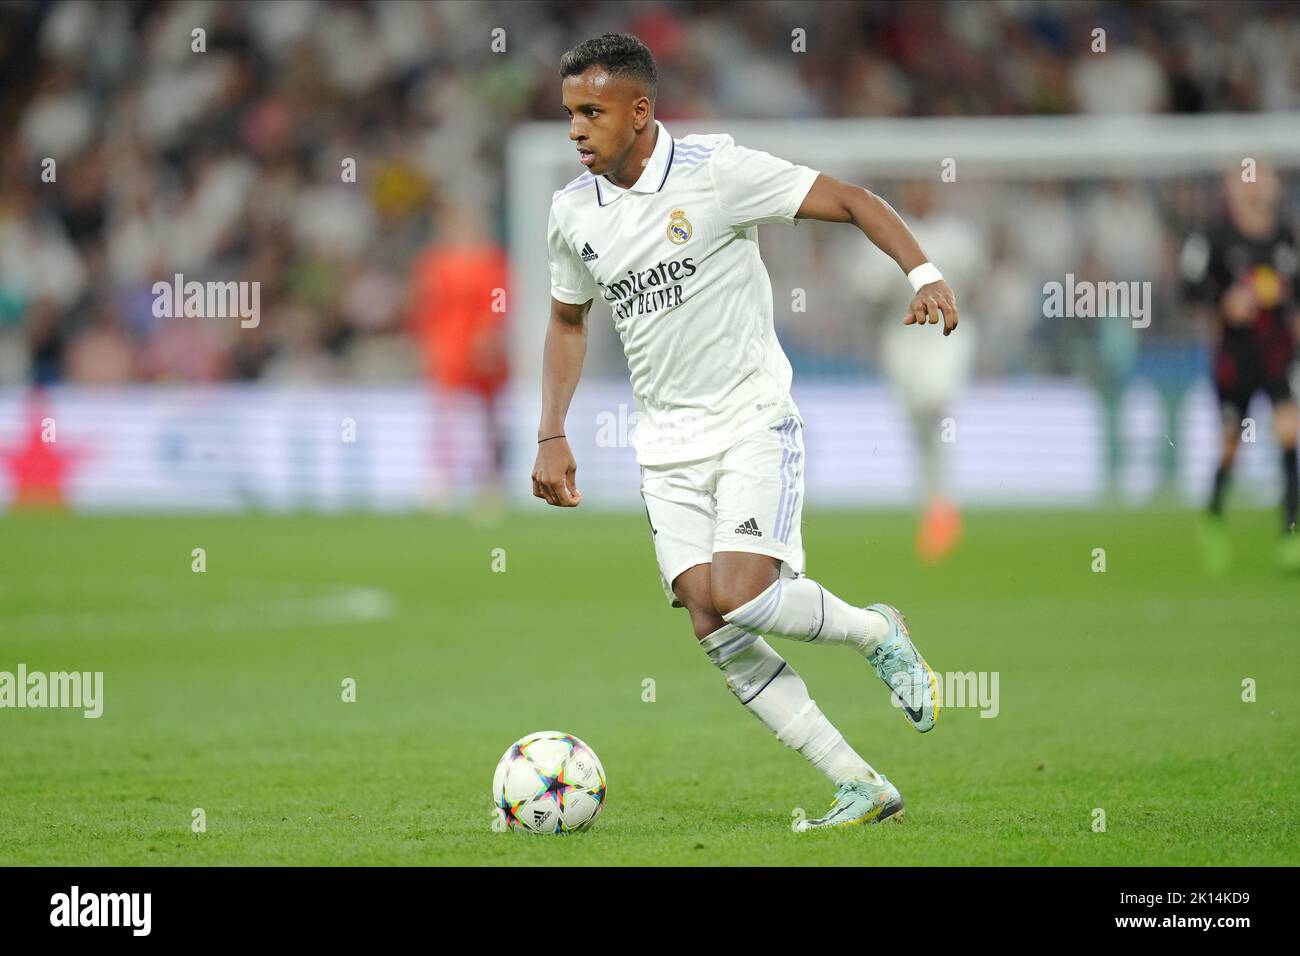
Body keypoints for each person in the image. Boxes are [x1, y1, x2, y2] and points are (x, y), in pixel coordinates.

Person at [533, 34, 958, 829]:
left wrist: (923, 272)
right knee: (708, 615)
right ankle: (858, 782)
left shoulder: (717, 173)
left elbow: (854, 200)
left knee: (742, 594)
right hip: (663, 445)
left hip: (752, 420)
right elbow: (566, 321)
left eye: (591, 112)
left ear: (640, 110)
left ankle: (875, 631)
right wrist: (550, 430)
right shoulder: (570, 215)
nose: (576, 131)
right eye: (569, 115)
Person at [1182, 162, 1299, 573]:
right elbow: (1189, 286)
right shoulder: (1214, 236)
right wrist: (1224, 304)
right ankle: (1213, 514)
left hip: (1277, 353)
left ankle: (1290, 533)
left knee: (1289, 431)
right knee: (1232, 446)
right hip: (1235, 357)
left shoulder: (1284, 236)